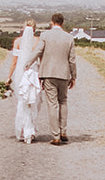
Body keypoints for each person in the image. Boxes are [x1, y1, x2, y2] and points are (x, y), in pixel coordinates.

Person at [29, 12, 77, 145]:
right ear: (63, 22)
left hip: (49, 74)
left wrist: (27, 64)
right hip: (64, 74)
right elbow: (72, 60)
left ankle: (55, 135)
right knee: (63, 101)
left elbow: (38, 51)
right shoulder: (69, 38)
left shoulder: (45, 35)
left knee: (52, 104)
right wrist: (73, 76)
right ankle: (63, 131)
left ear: (52, 22)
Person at [4, 20, 42, 143]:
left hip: (21, 74)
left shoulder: (18, 42)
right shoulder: (38, 41)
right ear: (34, 29)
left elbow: (14, 62)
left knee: (22, 101)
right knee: (33, 101)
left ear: (24, 28)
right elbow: (41, 60)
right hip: (34, 74)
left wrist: (9, 77)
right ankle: (30, 131)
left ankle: (23, 130)